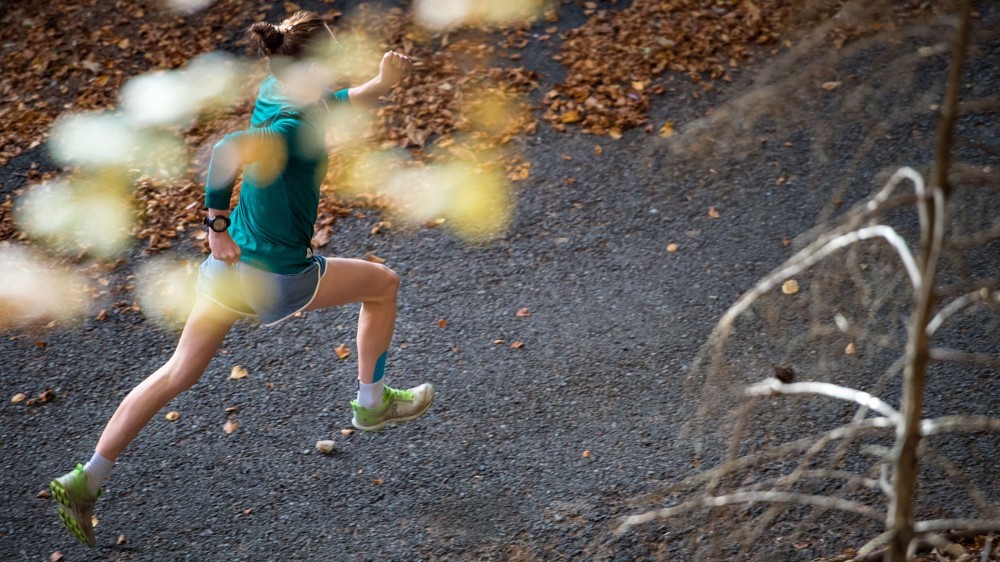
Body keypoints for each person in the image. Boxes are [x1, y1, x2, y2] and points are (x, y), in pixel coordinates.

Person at [49, 11, 434, 547]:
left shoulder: (282, 91)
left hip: (227, 273)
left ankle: (86, 479)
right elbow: (228, 150)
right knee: (383, 285)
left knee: (177, 372)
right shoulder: (291, 123)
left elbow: (335, 103)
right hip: (275, 273)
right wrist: (215, 226)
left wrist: (380, 84)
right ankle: (371, 403)